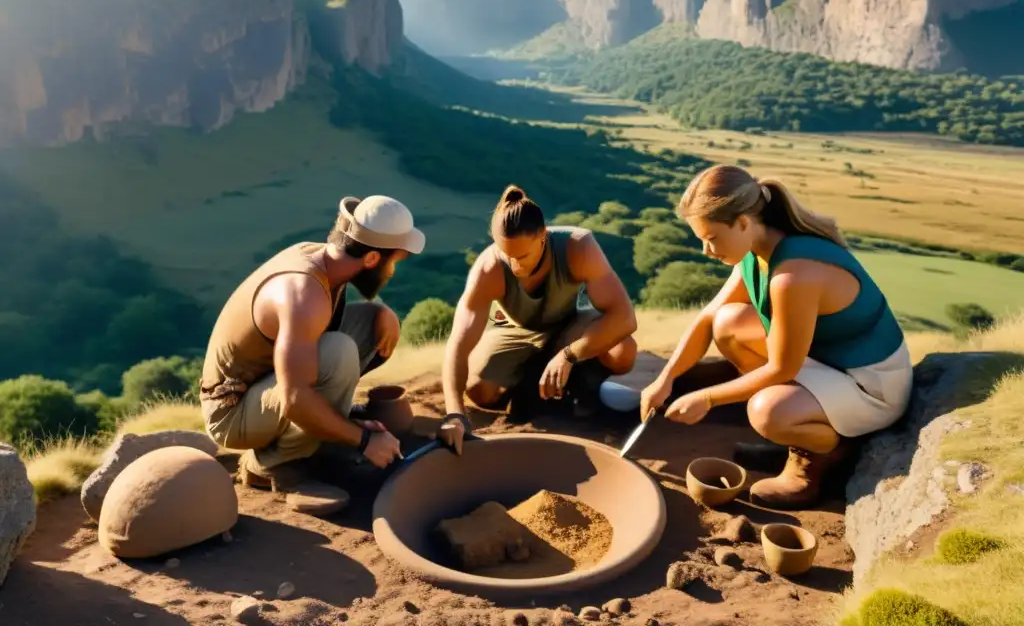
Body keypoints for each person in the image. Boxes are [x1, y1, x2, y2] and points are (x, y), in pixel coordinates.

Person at [640, 164, 913, 509]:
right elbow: (709, 319)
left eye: (711, 240)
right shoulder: (758, 250)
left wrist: (706, 398)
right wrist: (666, 379)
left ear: (741, 222)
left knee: (766, 412)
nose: (706, 252)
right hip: (829, 364)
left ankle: (819, 456)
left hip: (871, 386)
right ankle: (800, 420)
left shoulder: (794, 275)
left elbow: (783, 368)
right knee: (729, 323)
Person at [199, 195, 425, 516]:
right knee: (339, 353)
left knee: (376, 321)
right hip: (232, 413)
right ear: (373, 258)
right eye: (394, 261)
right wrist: (364, 442)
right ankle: (273, 464)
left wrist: (380, 313)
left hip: (268, 380)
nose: (393, 270)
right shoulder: (304, 293)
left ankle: (327, 425)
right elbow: (294, 397)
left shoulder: (327, 261)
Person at [438, 185, 639, 454]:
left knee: (623, 352)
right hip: (516, 330)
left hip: (570, 323)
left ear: (543, 236)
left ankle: (581, 384)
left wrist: (569, 354)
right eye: (506, 254)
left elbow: (625, 318)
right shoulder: (488, 270)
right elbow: (458, 346)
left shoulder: (578, 247)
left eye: (522, 256)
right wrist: (455, 415)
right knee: (480, 392)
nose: (515, 265)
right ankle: (534, 383)